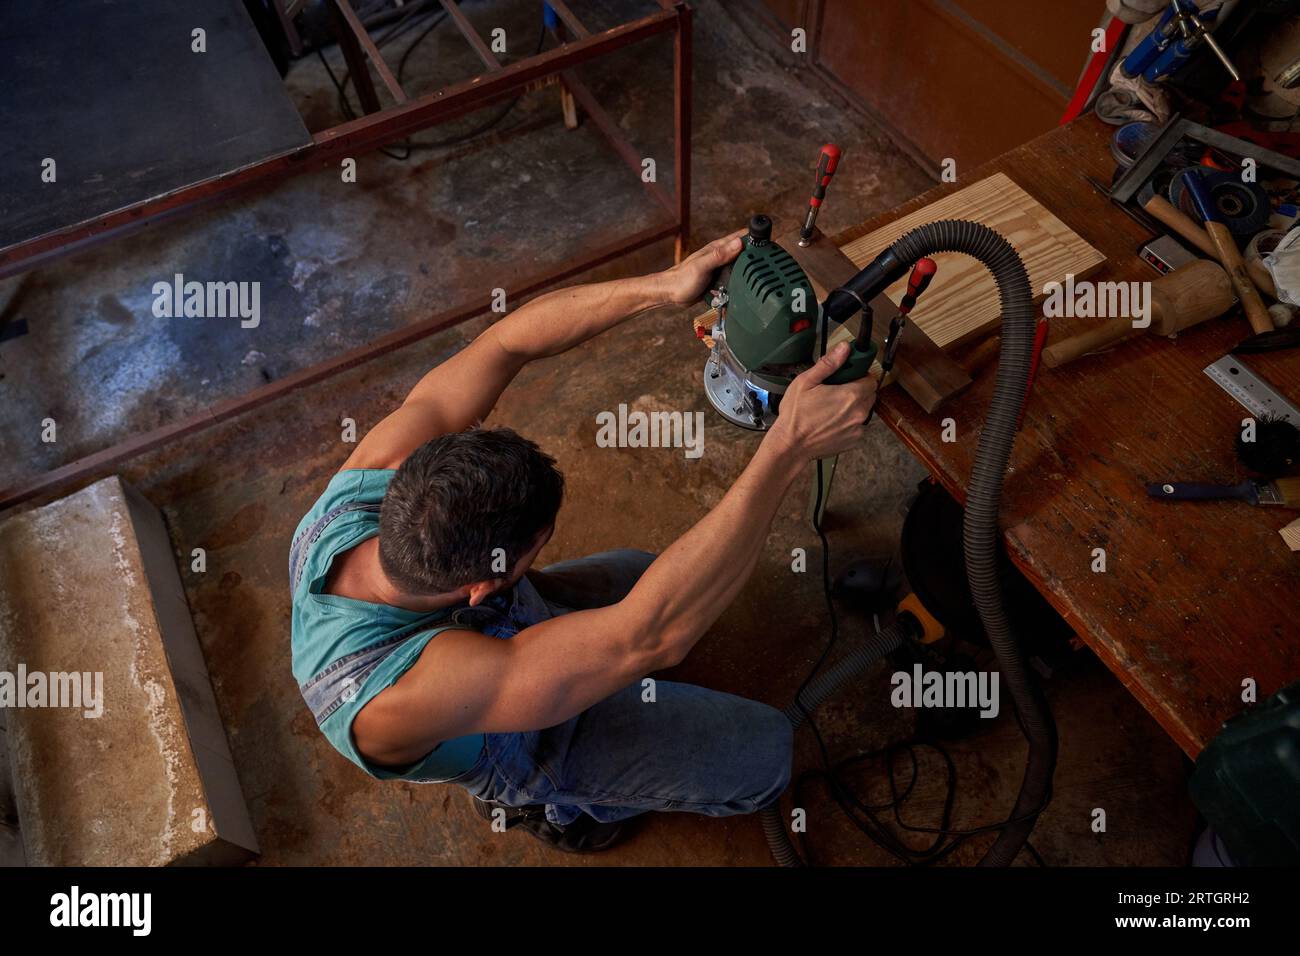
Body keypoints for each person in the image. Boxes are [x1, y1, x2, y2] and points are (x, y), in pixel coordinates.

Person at [289, 231, 879, 852]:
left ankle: (573, 662)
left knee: (641, 574)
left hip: (475, 626)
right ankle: (571, 812)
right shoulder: (397, 697)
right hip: (513, 738)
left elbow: (507, 340)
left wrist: (659, 288)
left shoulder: (376, 479)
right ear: (482, 585)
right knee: (766, 753)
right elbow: (652, 635)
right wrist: (788, 447)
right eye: (539, 545)